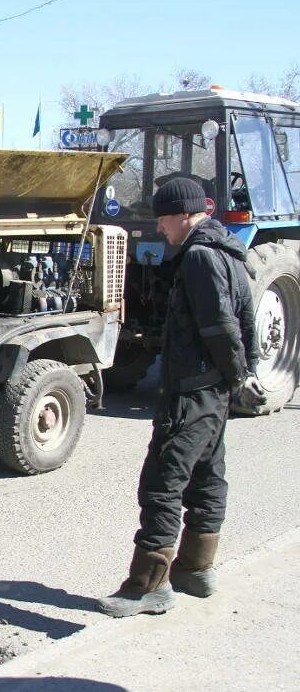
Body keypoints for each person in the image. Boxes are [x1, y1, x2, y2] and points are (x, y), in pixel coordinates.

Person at [98, 178, 266, 617]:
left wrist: (237, 375)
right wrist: (240, 376)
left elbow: (220, 327)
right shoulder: (229, 252)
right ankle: (196, 568)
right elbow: (245, 320)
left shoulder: (197, 257)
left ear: (185, 216)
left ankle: (148, 587)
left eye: (163, 218)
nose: (160, 227)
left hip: (191, 393)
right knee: (208, 479)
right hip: (213, 394)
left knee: (162, 485)